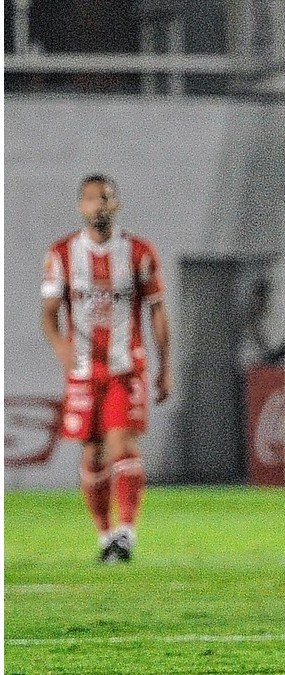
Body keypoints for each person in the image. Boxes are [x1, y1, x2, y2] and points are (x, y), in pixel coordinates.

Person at [41, 174, 172, 564]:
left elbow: (157, 311)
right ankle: (105, 536)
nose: (100, 205)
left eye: (107, 198)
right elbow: (49, 314)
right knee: (93, 456)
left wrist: (165, 366)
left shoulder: (139, 253)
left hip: (126, 367)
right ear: (81, 206)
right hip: (83, 370)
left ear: (116, 205)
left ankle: (127, 532)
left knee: (122, 445)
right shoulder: (61, 254)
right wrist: (61, 346)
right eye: (93, 199)